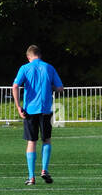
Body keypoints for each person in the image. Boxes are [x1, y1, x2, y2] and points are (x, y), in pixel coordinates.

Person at [11, 45, 63, 186]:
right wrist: (50, 87)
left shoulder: (25, 68)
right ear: (40, 55)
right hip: (46, 108)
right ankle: (44, 169)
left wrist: (18, 106)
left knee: (31, 142)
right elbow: (60, 88)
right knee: (46, 139)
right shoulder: (49, 67)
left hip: (30, 110)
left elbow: (15, 86)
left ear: (29, 57)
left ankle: (31, 176)